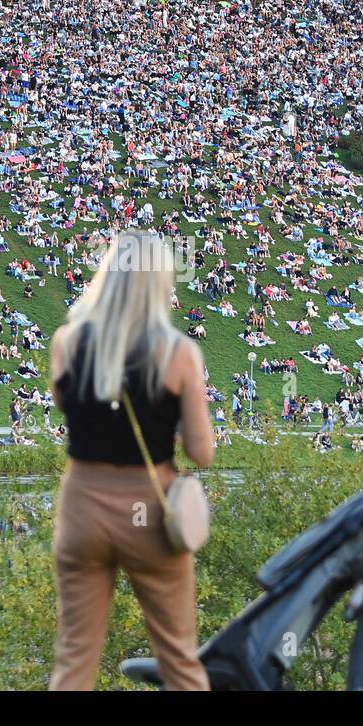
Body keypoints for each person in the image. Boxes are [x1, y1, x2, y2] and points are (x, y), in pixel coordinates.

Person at [48, 230, 215, 691]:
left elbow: (69, 408)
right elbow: (201, 452)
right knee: (180, 658)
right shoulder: (179, 353)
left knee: (74, 659)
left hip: (82, 504)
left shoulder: (67, 343)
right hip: (151, 507)